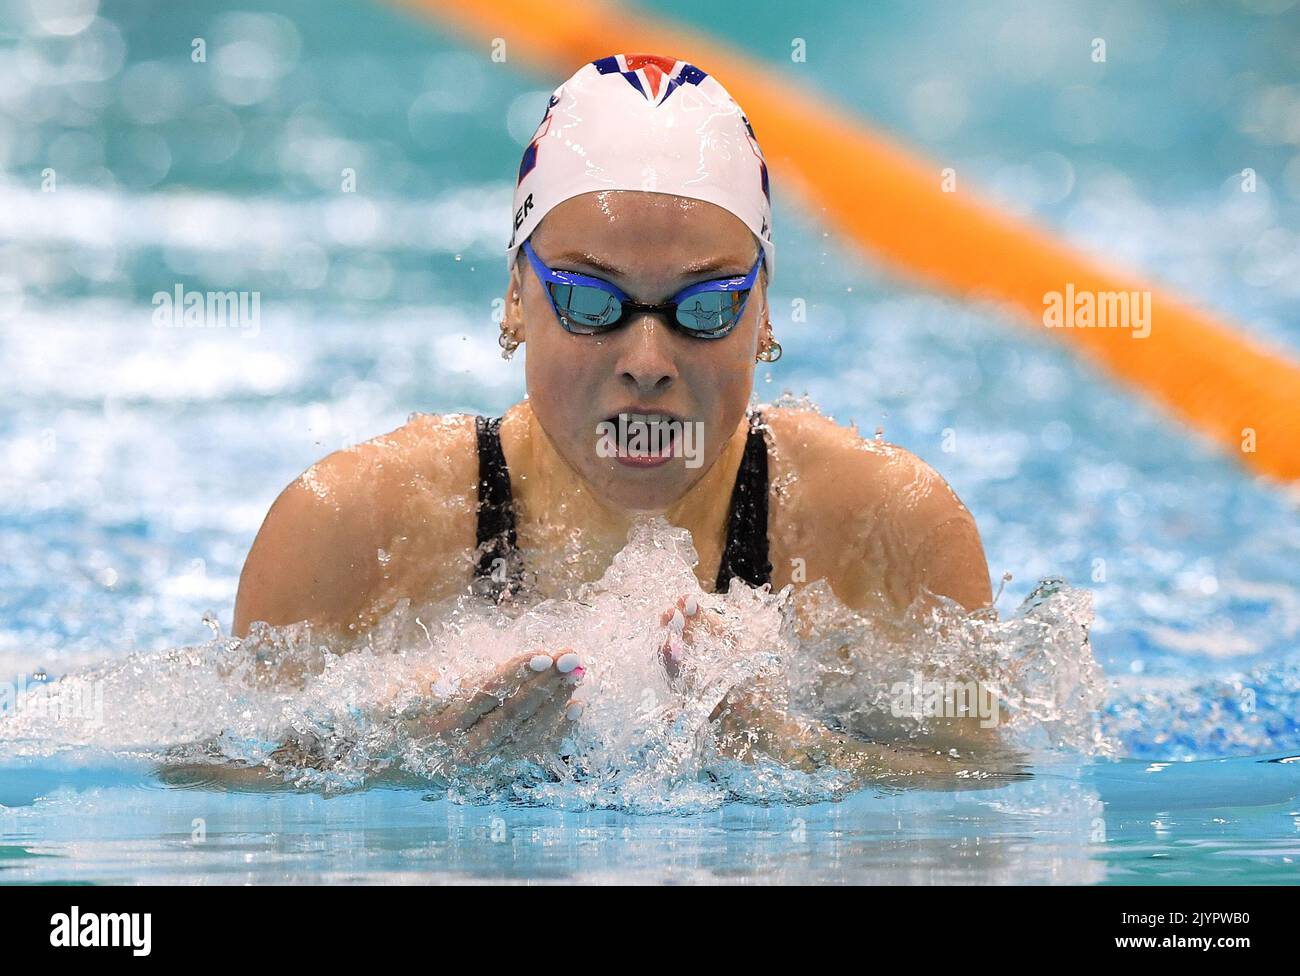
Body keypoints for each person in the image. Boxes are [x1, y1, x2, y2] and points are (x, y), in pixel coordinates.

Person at [231, 54, 998, 784]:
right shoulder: (352, 531)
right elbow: (230, 797)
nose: (647, 360)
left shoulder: (883, 533)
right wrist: (387, 757)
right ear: (514, 297)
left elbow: (983, 808)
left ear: (762, 313)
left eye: (705, 308)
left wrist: (801, 755)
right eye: (590, 300)